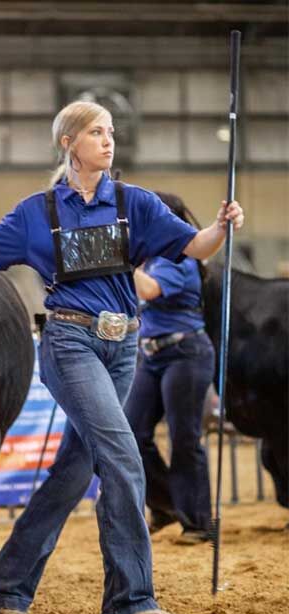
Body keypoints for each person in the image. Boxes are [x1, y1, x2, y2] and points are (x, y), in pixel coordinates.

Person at [0, 100, 243, 614]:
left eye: (111, 131)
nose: (108, 141)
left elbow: (196, 246)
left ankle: (6, 585)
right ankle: (130, 598)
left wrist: (223, 226)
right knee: (121, 455)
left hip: (123, 346)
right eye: (96, 132)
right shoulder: (37, 212)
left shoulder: (134, 204)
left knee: (74, 470)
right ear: (68, 142)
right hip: (70, 342)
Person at [125, 193, 215, 544]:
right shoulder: (148, 257)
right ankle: (166, 504)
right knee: (132, 432)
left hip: (186, 353)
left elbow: (149, 291)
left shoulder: (180, 256)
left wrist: (116, 257)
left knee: (184, 437)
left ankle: (199, 521)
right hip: (152, 354)